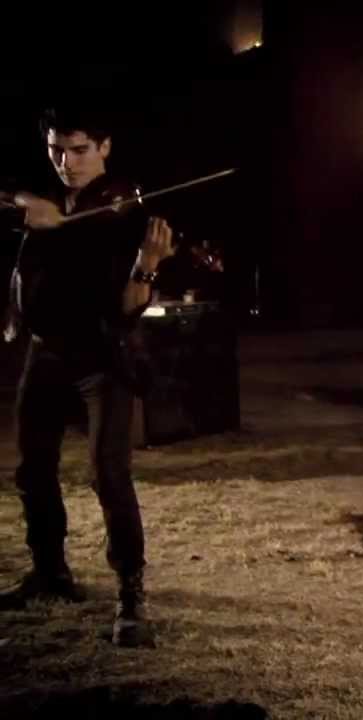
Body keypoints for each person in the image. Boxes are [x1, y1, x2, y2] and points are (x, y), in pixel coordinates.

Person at [0, 105, 175, 648]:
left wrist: (147, 265)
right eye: (57, 150)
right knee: (33, 469)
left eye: (79, 150)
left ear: (105, 148)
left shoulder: (125, 214)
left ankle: (131, 594)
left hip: (102, 359)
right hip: (45, 354)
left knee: (108, 474)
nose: (67, 162)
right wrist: (25, 205)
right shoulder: (48, 200)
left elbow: (127, 309)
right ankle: (50, 570)